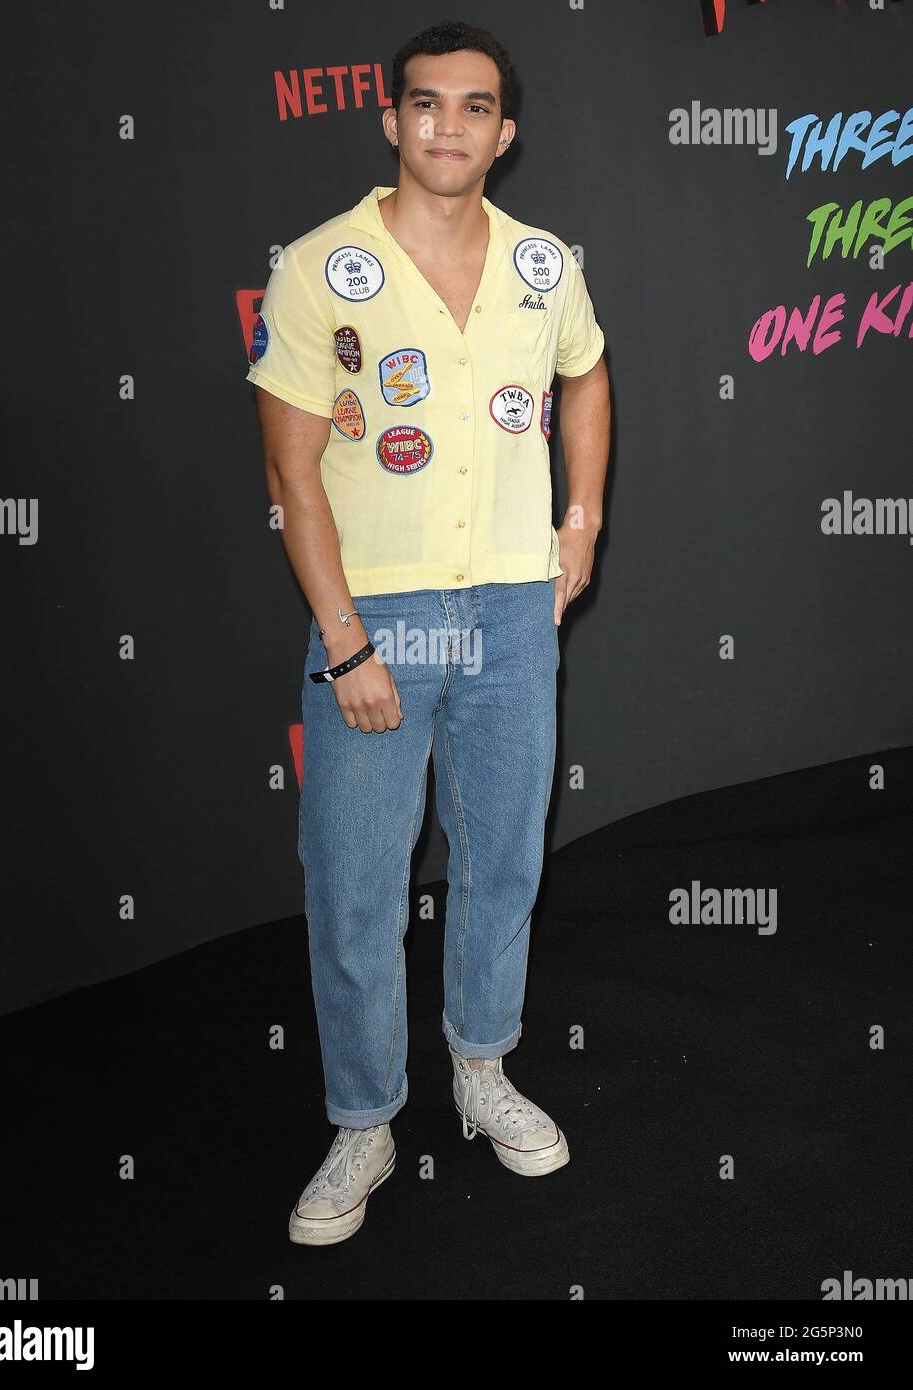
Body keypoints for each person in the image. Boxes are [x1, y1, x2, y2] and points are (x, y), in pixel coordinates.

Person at [248, 19, 611, 1246]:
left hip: (514, 608)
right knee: (354, 883)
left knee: (503, 860)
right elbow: (293, 474)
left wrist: (580, 521)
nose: (446, 125)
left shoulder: (544, 266)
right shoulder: (316, 268)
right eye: (425, 103)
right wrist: (344, 641)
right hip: (378, 615)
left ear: (503, 136)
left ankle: (481, 1066)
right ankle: (362, 1117)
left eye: (472, 107)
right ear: (389, 119)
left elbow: (588, 375)